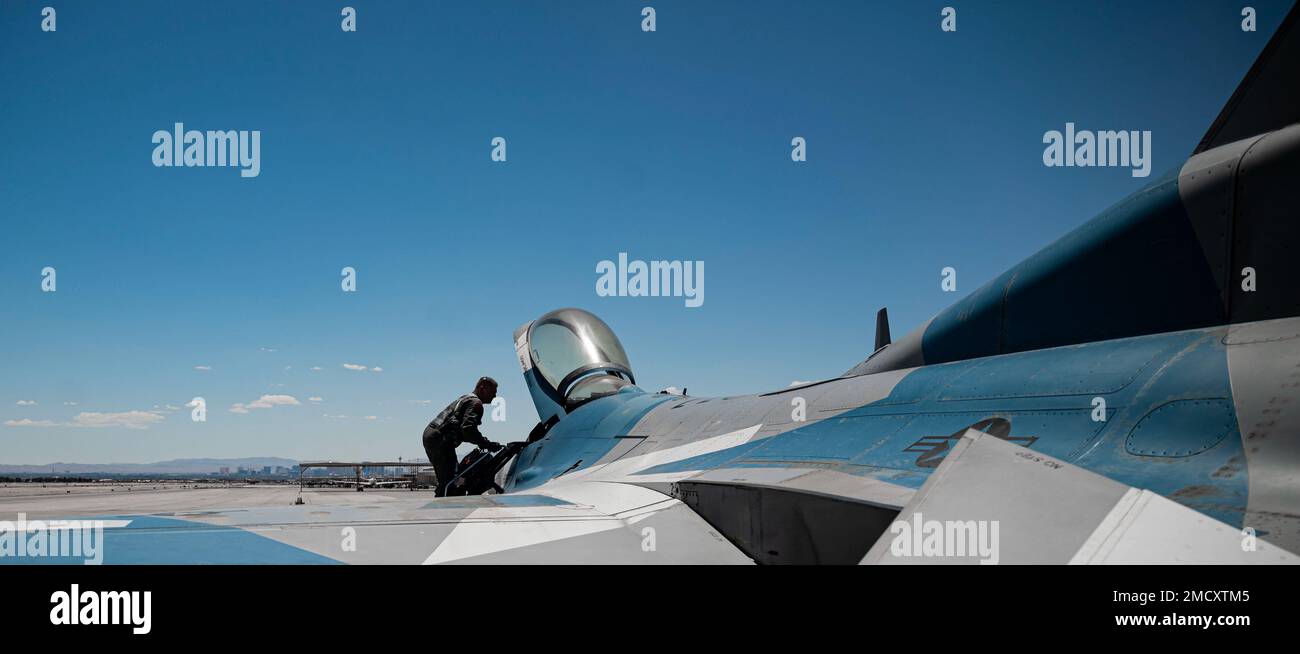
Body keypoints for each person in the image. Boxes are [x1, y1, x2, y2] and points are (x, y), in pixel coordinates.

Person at [422, 377, 503, 496]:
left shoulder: (466, 398)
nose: (494, 396)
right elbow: (468, 429)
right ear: (482, 388)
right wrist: (486, 443)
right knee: (449, 481)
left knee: (448, 478)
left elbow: (462, 430)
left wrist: (482, 441)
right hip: (440, 440)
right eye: (492, 392)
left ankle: (445, 499)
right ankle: (444, 505)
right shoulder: (476, 403)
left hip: (433, 436)